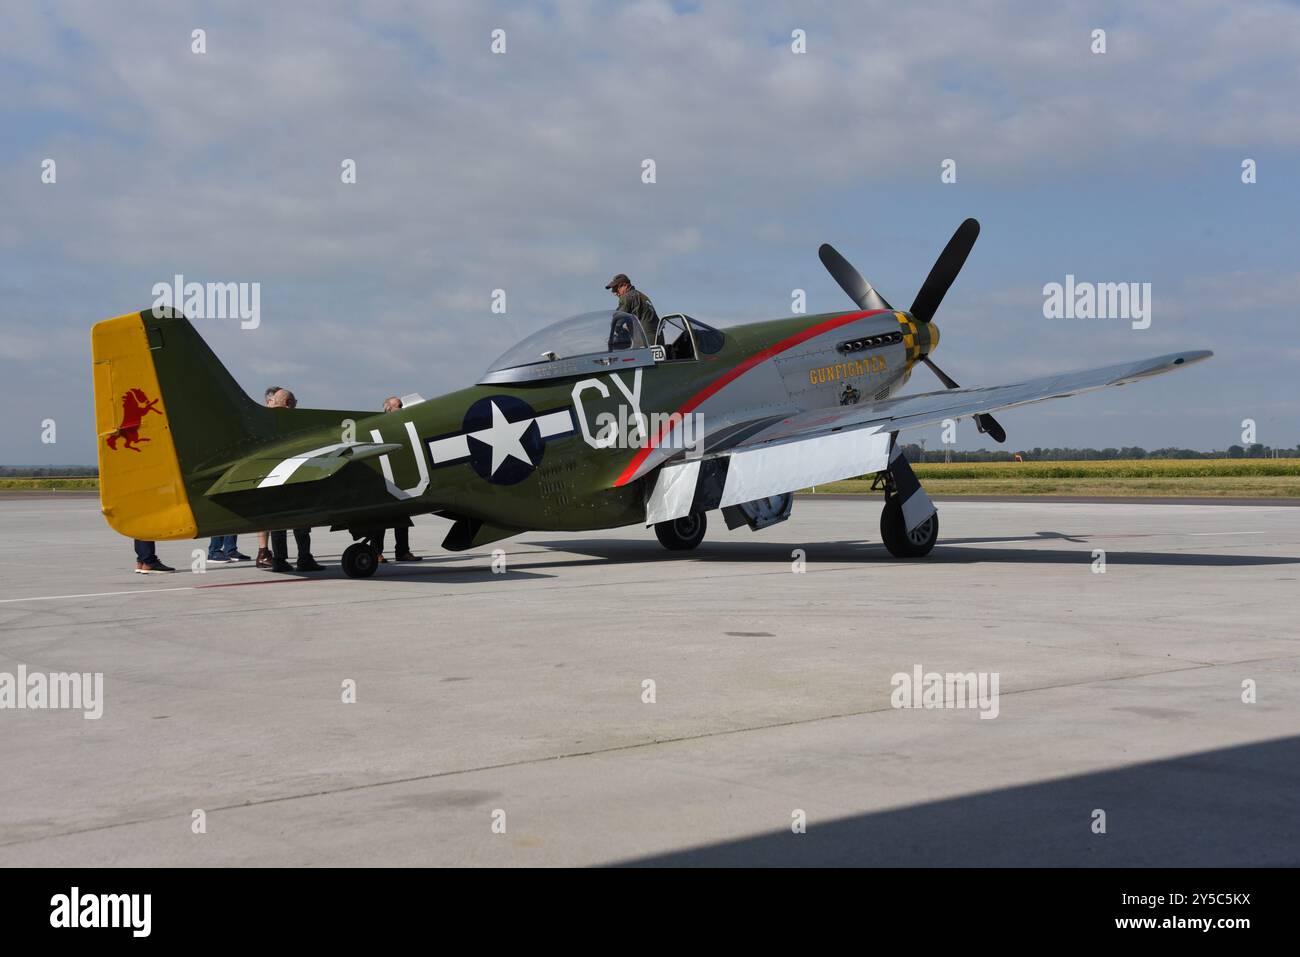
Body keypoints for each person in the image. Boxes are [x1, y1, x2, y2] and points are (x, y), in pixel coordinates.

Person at [266, 388, 324, 573]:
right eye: (295, 402)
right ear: (288, 403)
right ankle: (304, 558)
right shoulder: (292, 420)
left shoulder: (265, 420)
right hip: (294, 476)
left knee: (277, 522)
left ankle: (279, 560)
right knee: (301, 520)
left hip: (272, 477)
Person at [366, 396, 423, 563]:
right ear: (388, 409)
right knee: (381, 519)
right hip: (385, 480)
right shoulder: (379, 427)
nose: (402, 407)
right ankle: (376, 552)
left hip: (401, 481)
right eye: (399, 405)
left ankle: (403, 552)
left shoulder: (403, 425)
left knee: (402, 518)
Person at [254, 385, 282, 569]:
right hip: (266, 471)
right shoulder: (264, 419)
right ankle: (263, 552)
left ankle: (265, 553)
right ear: (269, 401)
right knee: (266, 516)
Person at [605, 273, 659, 344]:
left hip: (644, 341)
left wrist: (620, 332)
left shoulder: (627, 297)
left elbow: (617, 322)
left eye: (615, 289)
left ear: (624, 285)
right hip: (658, 340)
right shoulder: (642, 296)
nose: (615, 293)